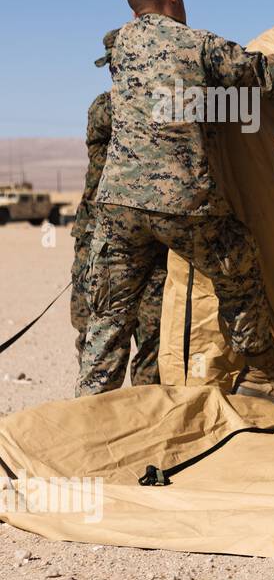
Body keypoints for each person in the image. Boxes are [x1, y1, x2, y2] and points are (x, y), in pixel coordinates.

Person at [77, 0, 274, 407]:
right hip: (182, 203)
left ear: (133, 11)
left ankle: (85, 414)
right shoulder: (197, 44)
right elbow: (268, 79)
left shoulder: (119, 48)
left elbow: (171, 98)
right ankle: (268, 378)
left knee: (109, 315)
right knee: (239, 272)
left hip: (118, 205)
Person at [70, 29, 166, 388]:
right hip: (98, 240)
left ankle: (147, 414)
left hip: (143, 238)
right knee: (97, 331)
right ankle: (100, 415)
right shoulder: (106, 108)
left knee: (153, 335)